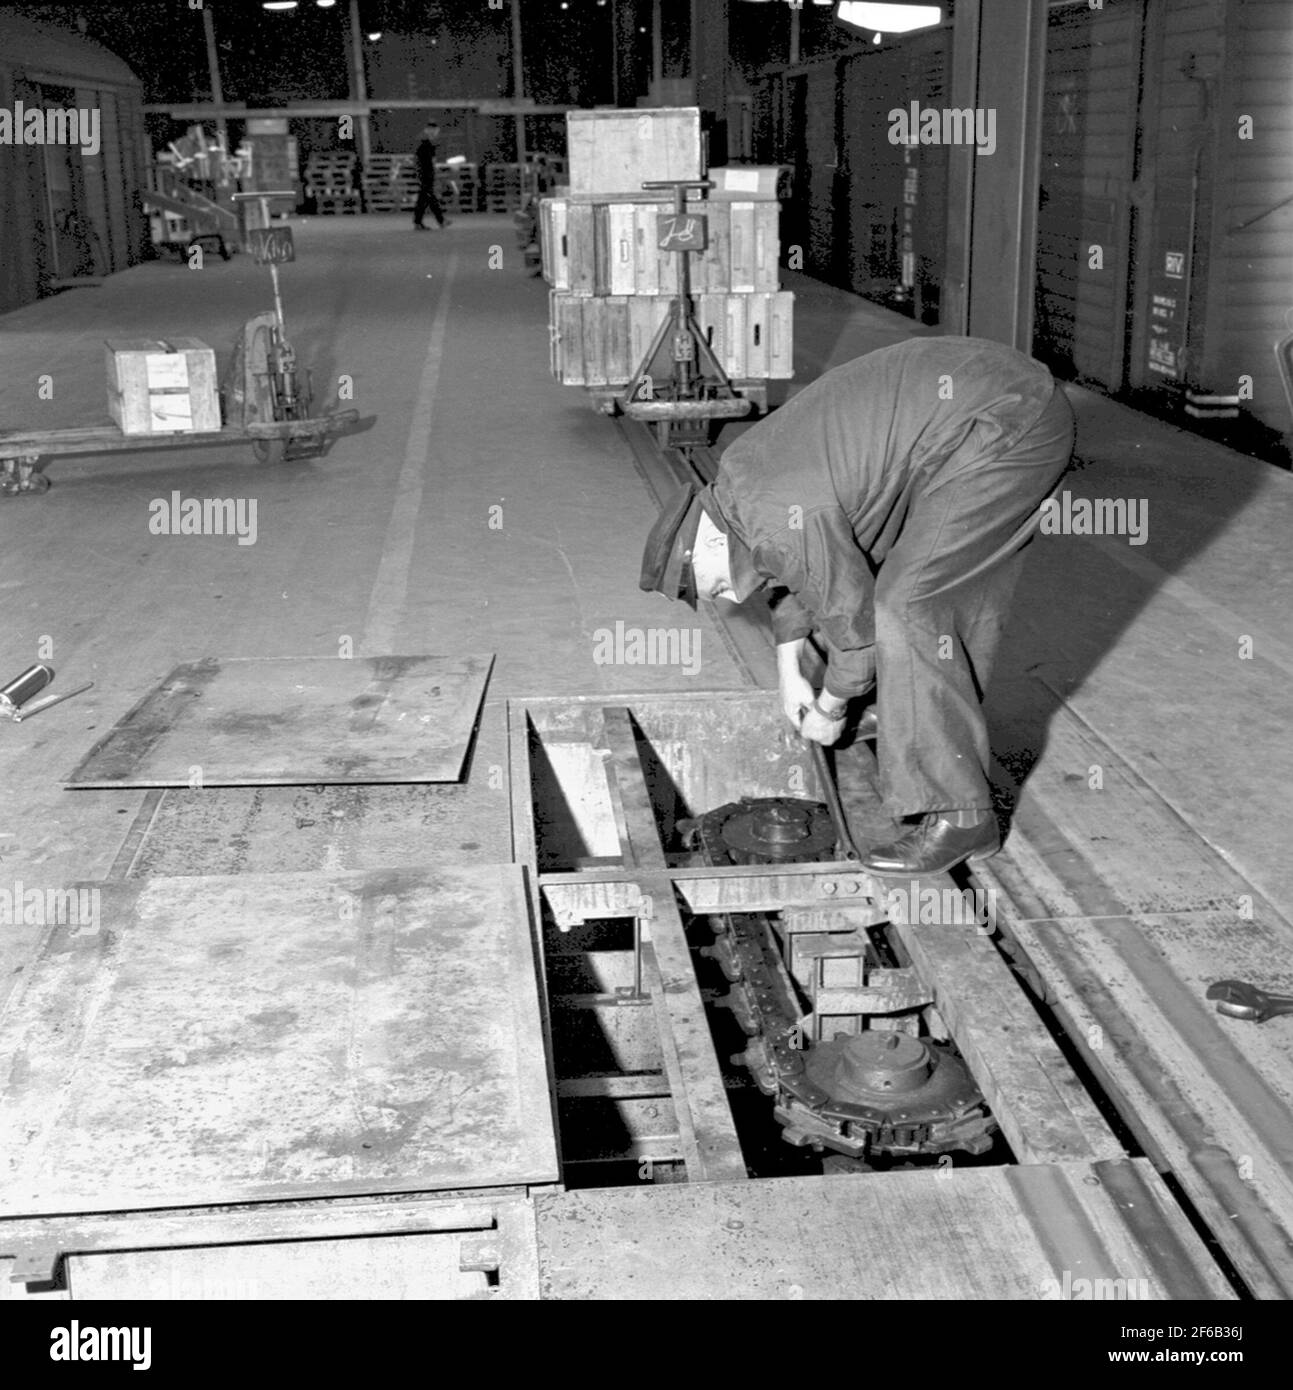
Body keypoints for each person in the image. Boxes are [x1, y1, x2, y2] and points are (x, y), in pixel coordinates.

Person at [639, 336, 1075, 875]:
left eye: (713, 588)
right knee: (921, 591)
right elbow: (806, 577)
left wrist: (830, 709)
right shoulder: (742, 485)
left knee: (909, 603)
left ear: (706, 544)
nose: (725, 598)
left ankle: (963, 817)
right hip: (981, 407)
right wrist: (790, 675)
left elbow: (857, 628)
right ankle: (906, 713)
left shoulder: (774, 516)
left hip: (1004, 423)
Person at [412, 122, 451, 230]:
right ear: (429, 130)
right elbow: (424, 161)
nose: (436, 133)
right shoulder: (425, 143)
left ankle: (420, 222)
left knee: (425, 199)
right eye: (435, 130)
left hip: (425, 174)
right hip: (425, 175)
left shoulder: (427, 143)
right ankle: (440, 221)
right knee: (429, 198)